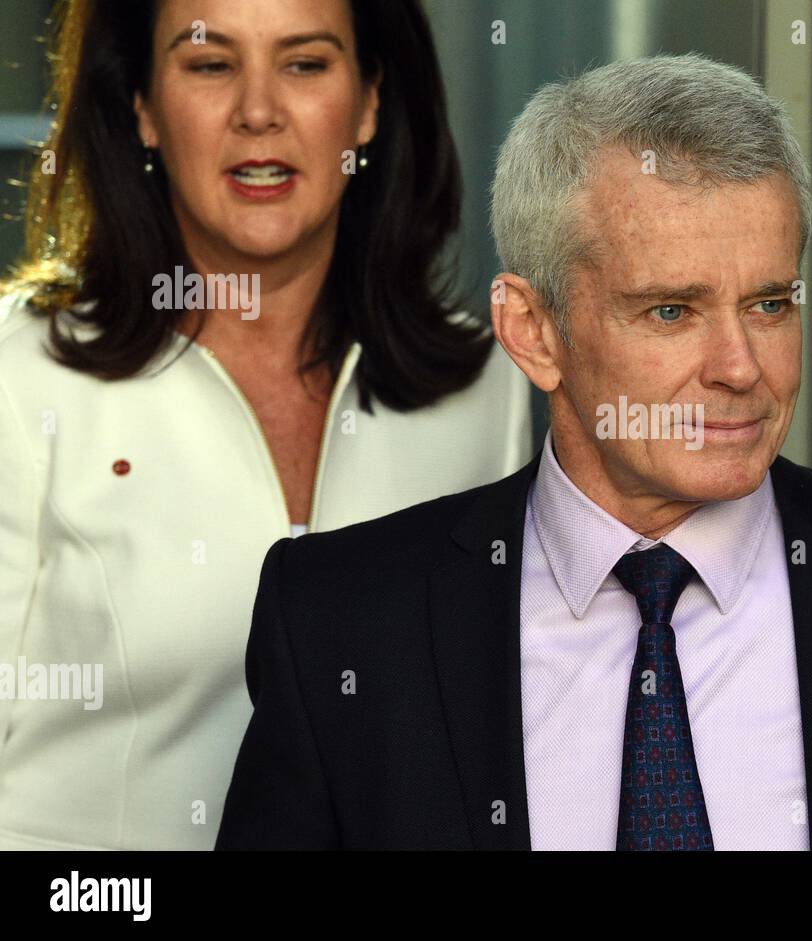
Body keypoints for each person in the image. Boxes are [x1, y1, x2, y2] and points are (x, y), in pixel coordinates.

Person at [216, 53, 812, 850]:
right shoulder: (343, 626)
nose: (740, 367)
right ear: (533, 331)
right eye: (670, 310)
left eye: (769, 303)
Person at [0, 0, 530, 850]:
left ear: (368, 102)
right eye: (210, 65)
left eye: (306, 63)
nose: (258, 111)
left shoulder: (483, 383)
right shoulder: (20, 377)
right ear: (140, 104)